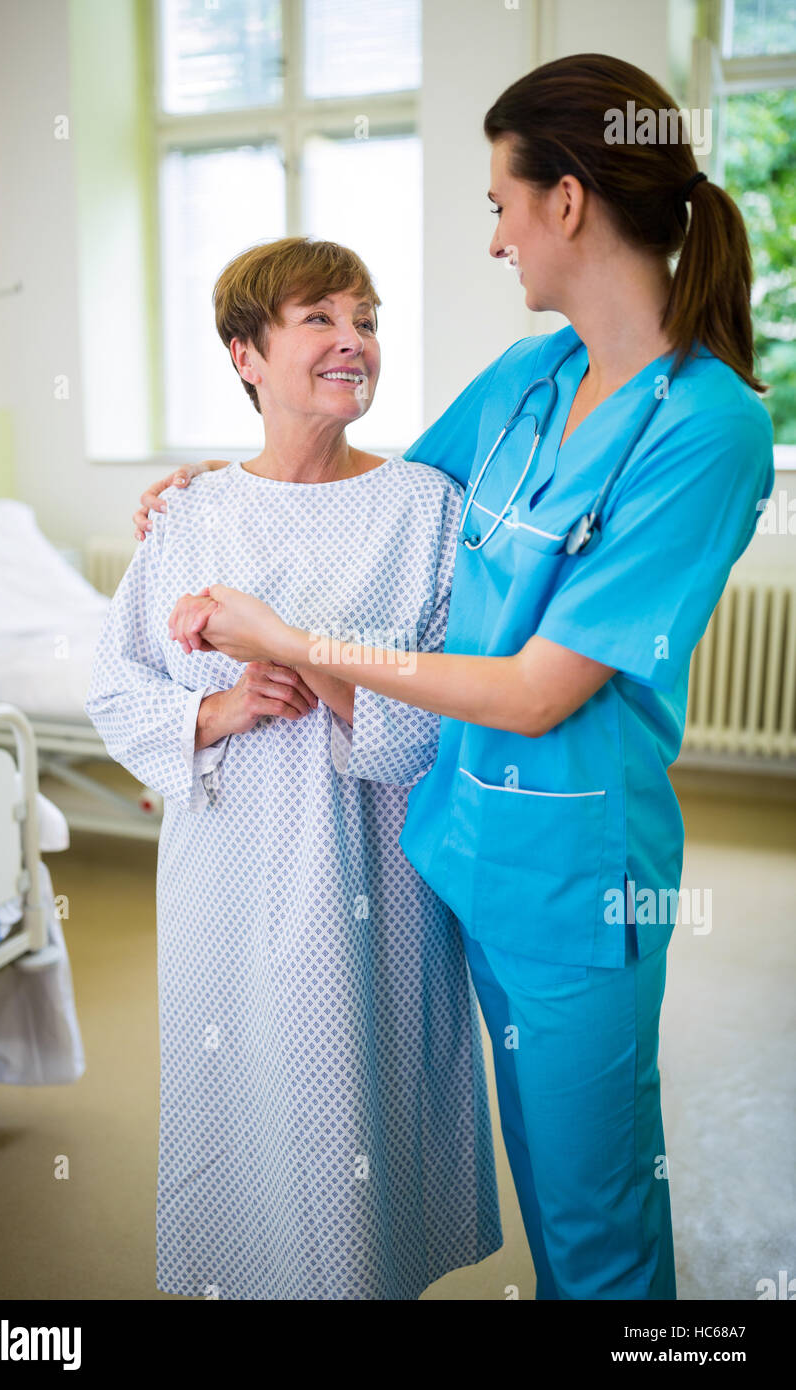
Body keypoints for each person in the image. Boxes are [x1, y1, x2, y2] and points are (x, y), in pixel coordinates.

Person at [145, 55, 776, 1300]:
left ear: (567, 201)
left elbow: (541, 691)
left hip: (577, 889)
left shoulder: (706, 427)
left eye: (498, 202)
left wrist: (293, 642)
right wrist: (210, 487)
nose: (492, 241)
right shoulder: (532, 380)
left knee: (592, 1227)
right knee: (536, 1185)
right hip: (455, 851)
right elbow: (349, 483)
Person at [87, 236, 502, 1300]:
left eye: (365, 319)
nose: (351, 341)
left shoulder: (425, 511)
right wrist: (219, 708)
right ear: (245, 355)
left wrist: (301, 657)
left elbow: (442, 722)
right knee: (249, 1107)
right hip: (233, 876)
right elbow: (116, 686)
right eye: (318, 318)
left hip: (381, 884)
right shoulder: (188, 517)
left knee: (364, 1110)